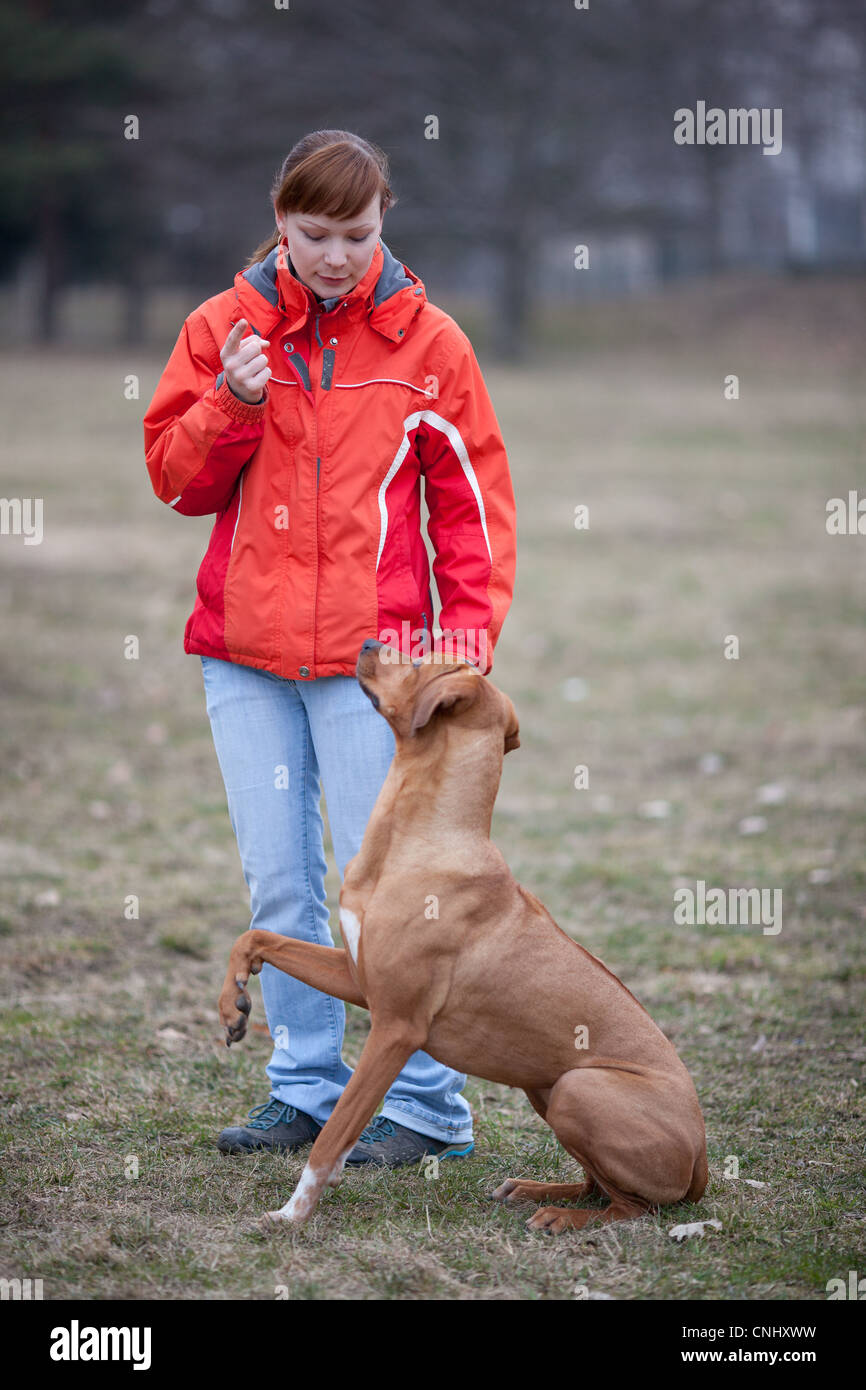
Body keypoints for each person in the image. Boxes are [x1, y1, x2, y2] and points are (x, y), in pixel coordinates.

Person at [143, 129, 517, 1168]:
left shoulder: (431, 345)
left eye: (356, 233)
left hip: (379, 673)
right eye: (315, 235)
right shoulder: (221, 328)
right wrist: (233, 398)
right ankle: (302, 1091)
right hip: (244, 660)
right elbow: (176, 482)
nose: (337, 255)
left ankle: (430, 1108)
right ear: (280, 223)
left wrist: (456, 658)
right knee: (279, 884)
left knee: (394, 892)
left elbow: (471, 510)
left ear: (383, 220)